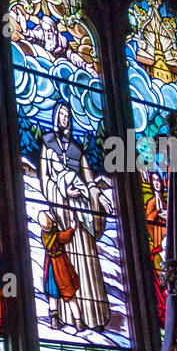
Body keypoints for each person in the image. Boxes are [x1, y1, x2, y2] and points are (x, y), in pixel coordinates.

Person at [39, 102, 111, 332]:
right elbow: (45, 179)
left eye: (68, 115)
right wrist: (61, 191)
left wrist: (99, 196)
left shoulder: (77, 150)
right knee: (62, 269)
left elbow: (89, 179)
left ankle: (93, 316)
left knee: (87, 263)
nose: (65, 118)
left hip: (81, 213)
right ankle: (67, 317)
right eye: (61, 114)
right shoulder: (47, 144)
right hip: (62, 214)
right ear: (55, 117)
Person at [38, 209, 81, 333]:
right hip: (59, 267)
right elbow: (65, 237)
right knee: (70, 294)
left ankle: (54, 321)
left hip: (50, 268)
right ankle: (79, 322)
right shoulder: (56, 235)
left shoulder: (44, 234)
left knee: (53, 297)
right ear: (50, 223)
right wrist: (72, 228)